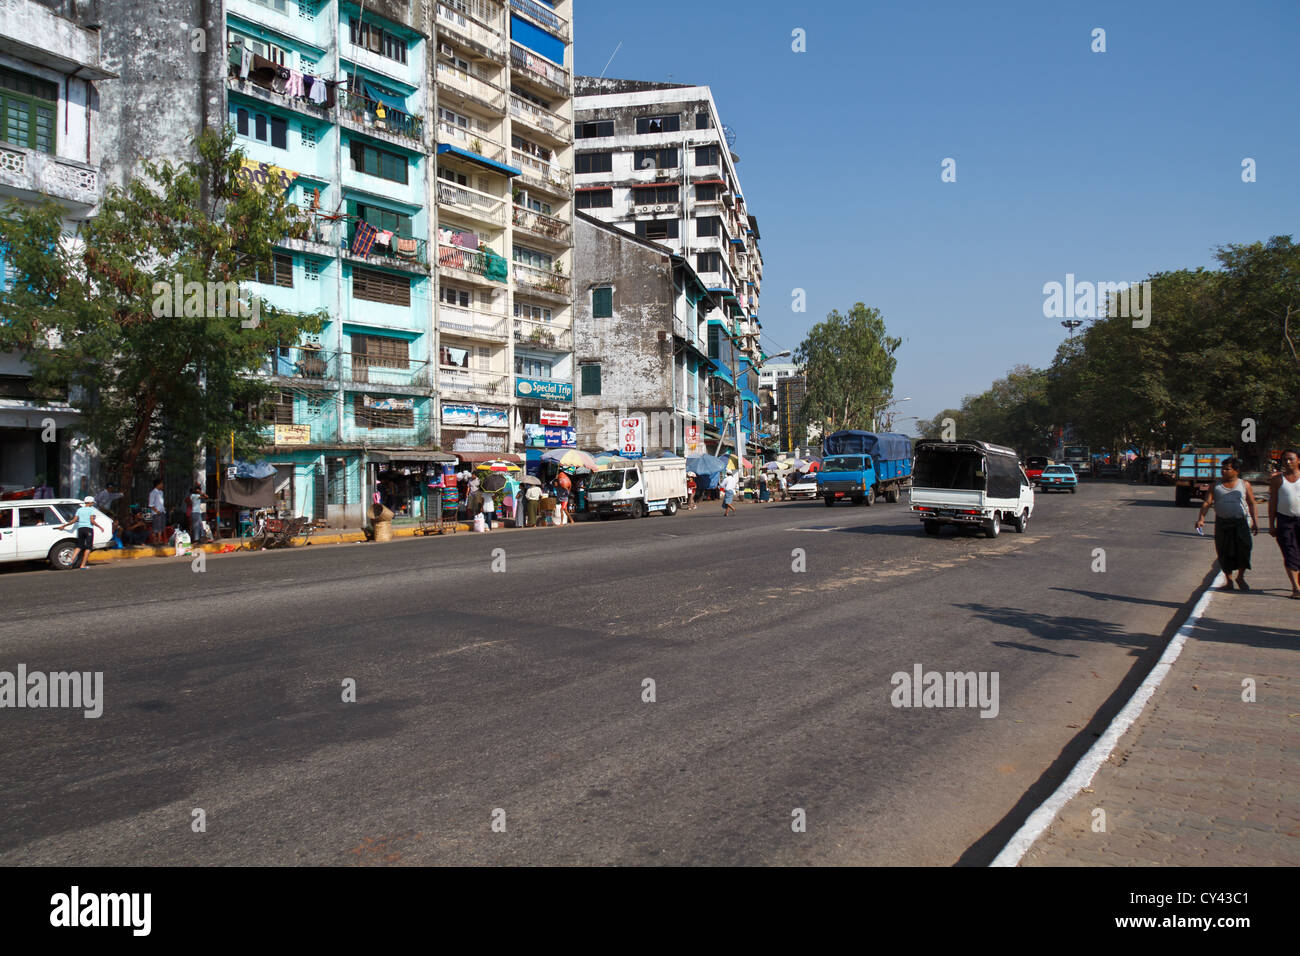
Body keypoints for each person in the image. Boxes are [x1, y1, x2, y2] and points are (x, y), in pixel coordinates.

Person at [1196, 457, 1258, 590]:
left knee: (1244, 548)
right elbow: (1207, 502)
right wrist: (1201, 518)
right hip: (1222, 523)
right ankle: (1228, 580)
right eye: (1222, 468)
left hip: (1240, 522)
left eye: (1227, 469)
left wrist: (1255, 522)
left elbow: (1252, 503)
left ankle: (1240, 577)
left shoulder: (1244, 485)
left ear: (1236, 471)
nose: (1223, 471)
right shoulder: (1216, 485)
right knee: (1224, 551)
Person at [1269, 449, 1300, 599]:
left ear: (1298, 460)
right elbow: (1273, 502)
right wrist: (1271, 524)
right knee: (1289, 553)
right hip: (1285, 520)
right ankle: (1296, 587)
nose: (1288, 462)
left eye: (1291, 459)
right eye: (1285, 460)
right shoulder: (1277, 480)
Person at [56, 496, 104, 569]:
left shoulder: (79, 510)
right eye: (93, 503)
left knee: (79, 546)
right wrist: (100, 527)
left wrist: (64, 526)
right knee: (88, 548)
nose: (93, 504)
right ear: (90, 502)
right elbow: (92, 521)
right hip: (88, 529)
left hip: (80, 529)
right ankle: (83, 565)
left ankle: (70, 561)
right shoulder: (91, 510)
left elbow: (74, 520)